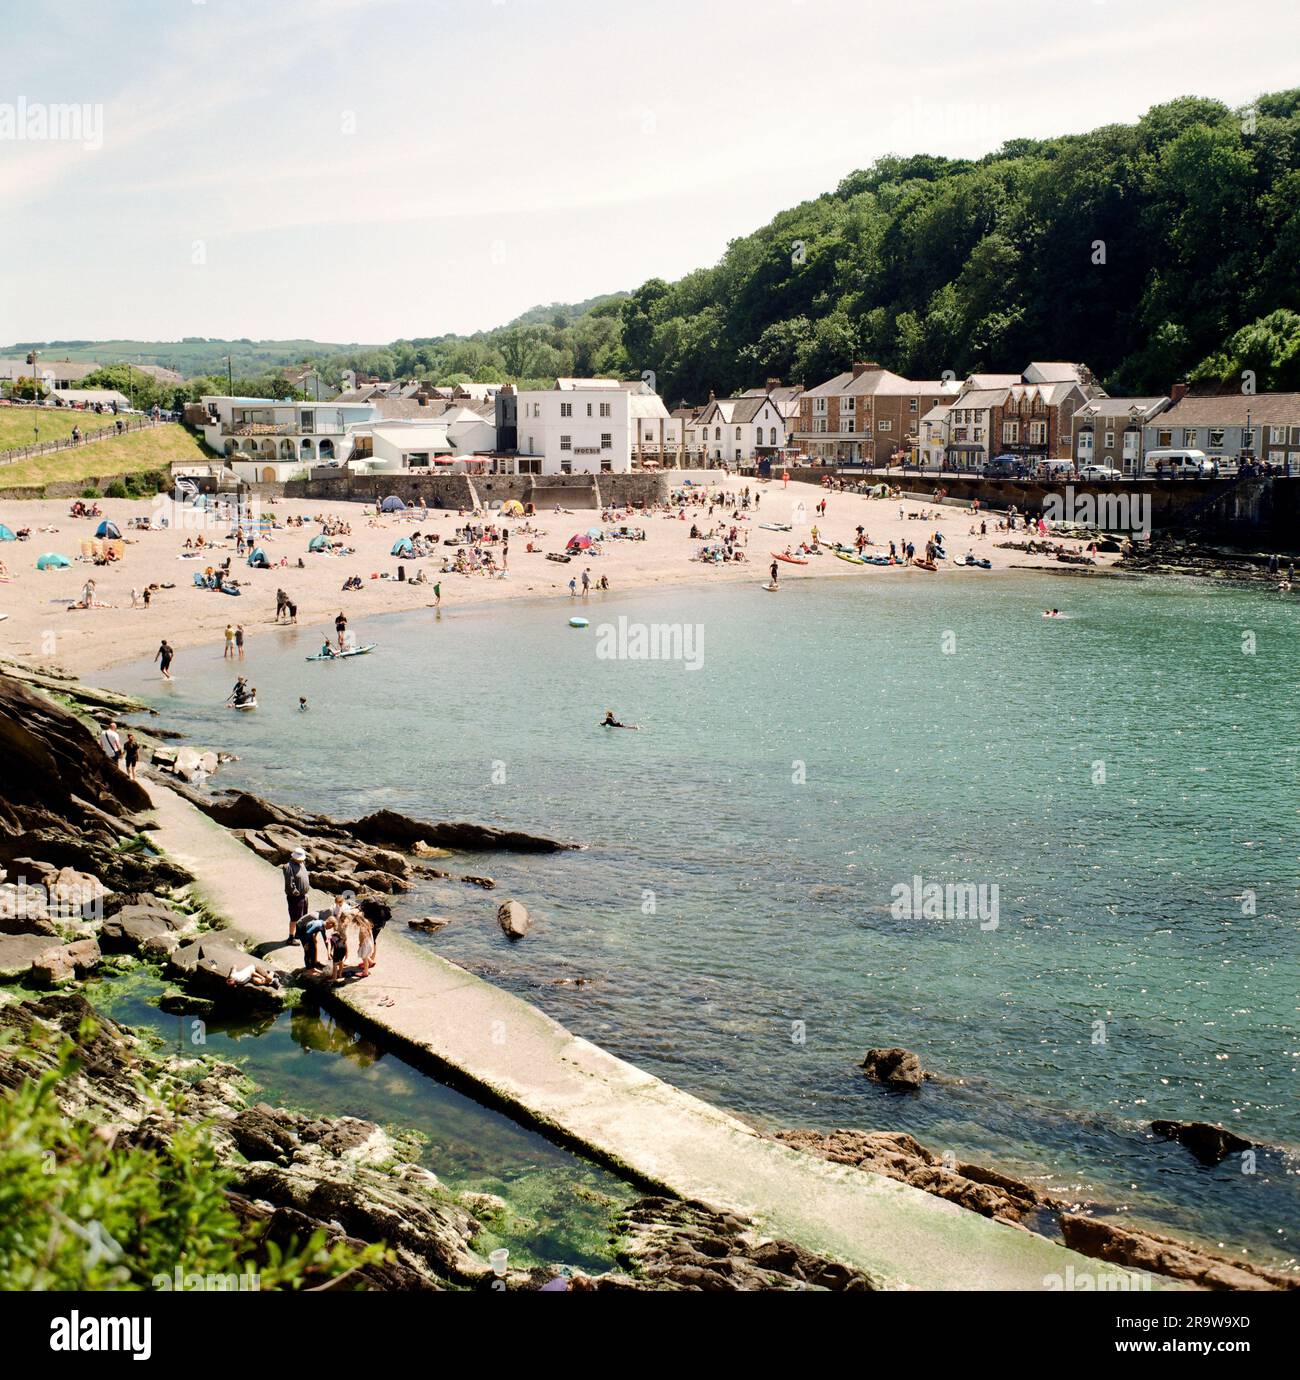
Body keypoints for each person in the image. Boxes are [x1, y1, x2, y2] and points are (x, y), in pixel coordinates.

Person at [283, 848, 310, 940]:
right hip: (295, 897)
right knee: (295, 917)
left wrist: (305, 892)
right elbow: (290, 883)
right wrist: (297, 893)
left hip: (303, 895)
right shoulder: (288, 866)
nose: (302, 860)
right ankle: (291, 938)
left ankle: (298, 934)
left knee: (302, 916)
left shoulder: (301, 864)